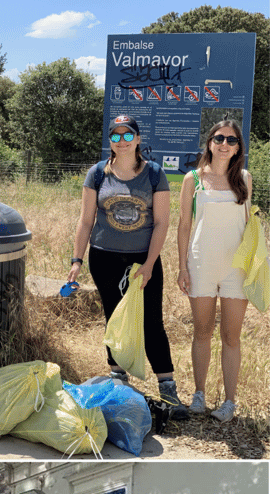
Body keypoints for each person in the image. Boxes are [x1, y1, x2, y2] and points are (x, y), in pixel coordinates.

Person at [67, 114, 181, 412]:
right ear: (110, 141)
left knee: (152, 322)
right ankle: (119, 380)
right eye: (116, 136)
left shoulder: (154, 174)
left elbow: (162, 223)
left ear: (138, 139)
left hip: (143, 259)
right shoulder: (97, 174)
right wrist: (77, 260)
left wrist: (150, 263)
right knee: (114, 319)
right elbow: (85, 220)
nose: (122, 141)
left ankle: (168, 387)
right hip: (104, 257)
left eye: (128, 135)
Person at [175, 120, 254, 424]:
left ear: (238, 148)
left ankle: (230, 402)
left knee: (231, 336)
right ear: (209, 142)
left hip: (236, 269)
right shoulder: (193, 178)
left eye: (231, 140)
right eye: (219, 138)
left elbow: (249, 226)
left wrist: (256, 267)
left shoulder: (244, 179)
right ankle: (199, 395)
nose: (224, 144)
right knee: (202, 331)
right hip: (201, 265)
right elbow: (184, 225)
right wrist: (182, 266)